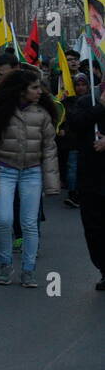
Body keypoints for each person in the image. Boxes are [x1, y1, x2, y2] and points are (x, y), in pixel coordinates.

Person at [0, 68, 59, 287]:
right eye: (34, 87)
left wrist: (52, 184)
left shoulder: (43, 114)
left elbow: (49, 149)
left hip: (32, 172)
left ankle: (28, 270)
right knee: (4, 219)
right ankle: (5, 265)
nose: (40, 92)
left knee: (30, 223)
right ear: (21, 90)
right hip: (5, 171)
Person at [66, 83, 105, 290]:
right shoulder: (87, 101)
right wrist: (100, 107)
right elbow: (74, 125)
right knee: (93, 227)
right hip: (90, 176)